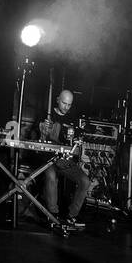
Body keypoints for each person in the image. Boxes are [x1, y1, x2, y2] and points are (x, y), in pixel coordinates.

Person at [35, 89, 93, 231]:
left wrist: (78, 140)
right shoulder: (46, 114)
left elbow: (76, 138)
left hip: (64, 160)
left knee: (85, 181)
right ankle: (53, 215)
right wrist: (42, 129)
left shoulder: (72, 119)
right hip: (47, 158)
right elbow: (37, 136)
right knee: (51, 176)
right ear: (57, 100)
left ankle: (71, 216)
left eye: (69, 104)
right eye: (64, 103)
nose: (66, 107)